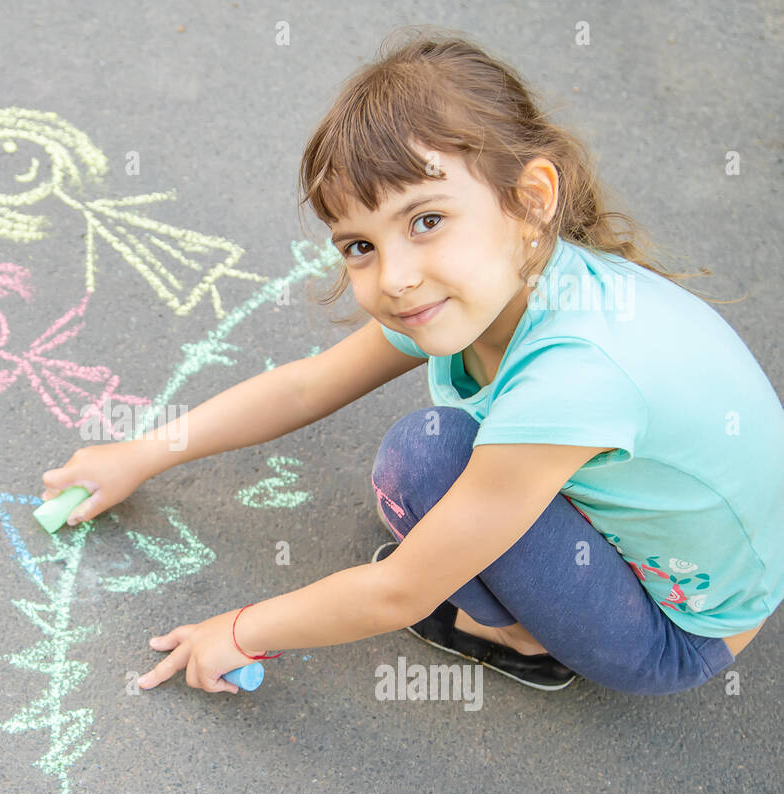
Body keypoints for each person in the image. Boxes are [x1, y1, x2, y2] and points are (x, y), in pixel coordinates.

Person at [38, 27, 784, 696]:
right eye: (361, 245)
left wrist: (236, 632)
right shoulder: (490, 281)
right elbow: (306, 387)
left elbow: (398, 591)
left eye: (426, 220)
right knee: (443, 461)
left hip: (677, 637)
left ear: (530, 199)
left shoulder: (578, 372)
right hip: (703, 565)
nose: (393, 275)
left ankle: (524, 638)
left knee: (425, 464)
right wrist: (142, 452)